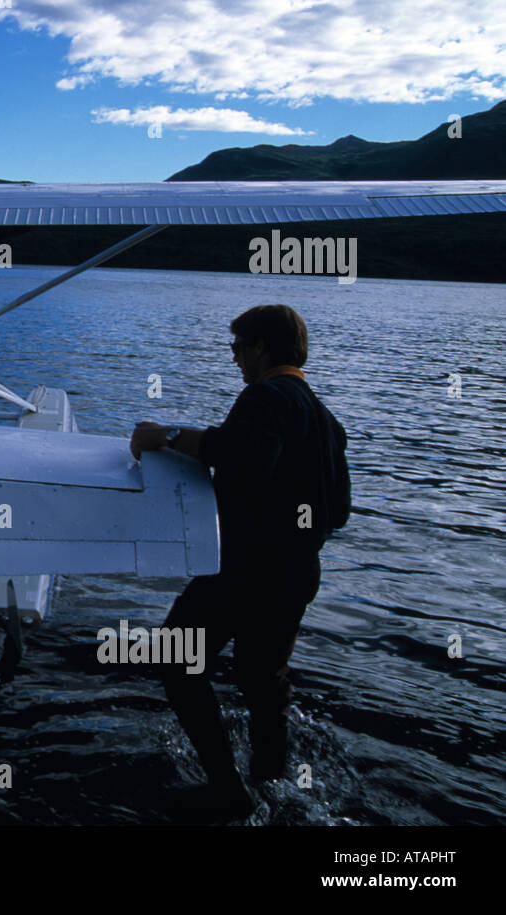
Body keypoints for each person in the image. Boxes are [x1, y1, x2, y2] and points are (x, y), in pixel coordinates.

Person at [130, 304, 350, 820]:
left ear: (259, 347)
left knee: (174, 660)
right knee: (262, 677)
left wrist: (166, 437)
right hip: (299, 573)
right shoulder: (326, 418)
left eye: (236, 348)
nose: (234, 359)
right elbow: (337, 511)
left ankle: (228, 790)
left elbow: (243, 454)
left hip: (247, 568)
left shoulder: (265, 395)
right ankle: (273, 788)